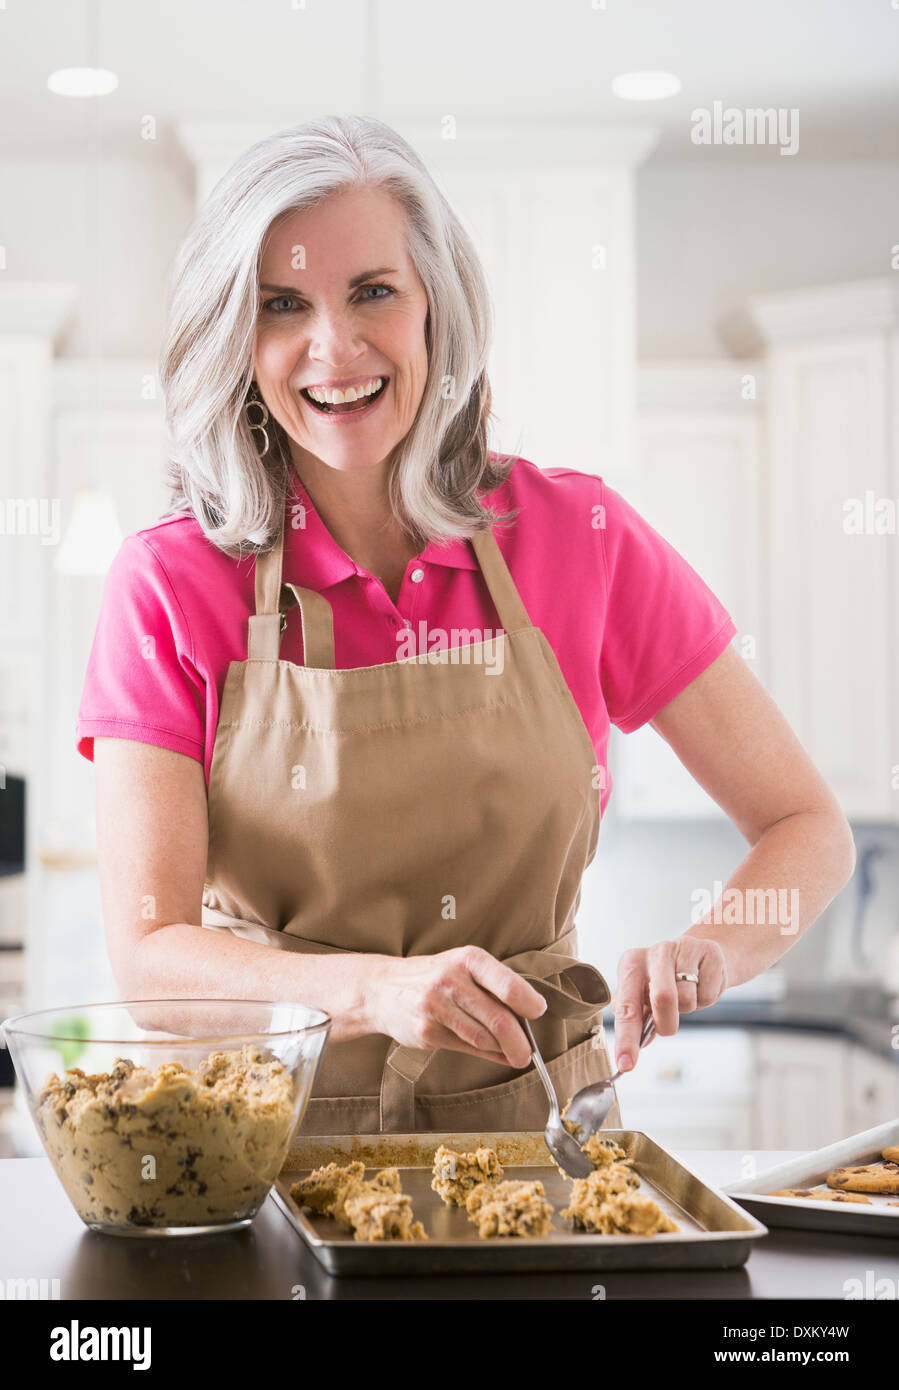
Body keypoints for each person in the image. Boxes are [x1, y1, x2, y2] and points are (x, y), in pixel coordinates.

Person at [77, 115, 855, 1134]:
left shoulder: (578, 536)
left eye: (372, 292)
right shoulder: (170, 581)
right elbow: (152, 957)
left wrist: (706, 948)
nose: (333, 347)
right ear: (239, 339)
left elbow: (806, 828)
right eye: (281, 305)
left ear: (436, 309)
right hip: (267, 1155)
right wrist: (377, 990)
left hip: (546, 1155)